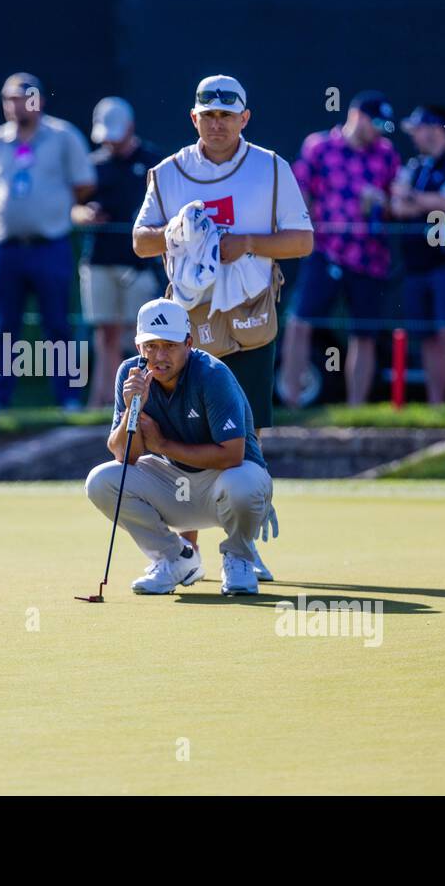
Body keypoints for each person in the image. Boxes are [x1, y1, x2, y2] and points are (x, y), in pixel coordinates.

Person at [132, 74, 313, 583]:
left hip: (249, 314)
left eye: (226, 114)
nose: (217, 123)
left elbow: (302, 241)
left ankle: (241, 547)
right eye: (208, 115)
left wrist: (246, 242)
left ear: (244, 118)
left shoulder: (272, 167)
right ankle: (182, 554)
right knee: (174, 432)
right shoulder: (168, 172)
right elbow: (140, 241)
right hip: (184, 320)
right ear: (194, 118)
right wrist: (174, 233)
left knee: (247, 434)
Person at [83, 298, 274, 597]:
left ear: (188, 343)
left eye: (169, 346)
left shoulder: (212, 375)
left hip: (225, 481)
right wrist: (133, 407)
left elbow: (233, 454)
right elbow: (124, 456)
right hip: (174, 486)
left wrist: (162, 445)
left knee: (244, 483)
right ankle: (177, 558)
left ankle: (238, 557)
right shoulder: (130, 374)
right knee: (101, 481)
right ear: (138, 347)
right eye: (151, 346)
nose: (159, 356)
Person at [0, 72, 96, 409]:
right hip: (5, 247)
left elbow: (83, 184)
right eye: (7, 99)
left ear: (38, 100)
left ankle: (68, 397)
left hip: (50, 244)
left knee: (58, 324)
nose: (13, 106)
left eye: (20, 98)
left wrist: (51, 208)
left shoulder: (63, 137)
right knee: (4, 326)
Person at [282, 90, 402, 407]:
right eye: (375, 123)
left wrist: (383, 202)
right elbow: (299, 194)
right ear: (357, 116)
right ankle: (291, 402)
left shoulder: (386, 153)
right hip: (325, 251)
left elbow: (399, 204)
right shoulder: (319, 147)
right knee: (299, 324)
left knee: (364, 334)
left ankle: (356, 410)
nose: (378, 131)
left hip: (369, 257)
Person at [74, 96, 165, 408]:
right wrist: (85, 214)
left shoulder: (153, 161)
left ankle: (142, 401)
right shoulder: (93, 164)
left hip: (138, 264)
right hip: (99, 259)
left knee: (140, 336)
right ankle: (103, 402)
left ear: (130, 128)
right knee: (105, 334)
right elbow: (75, 206)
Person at [390, 105, 445, 404]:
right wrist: (423, 201)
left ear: (435, 128)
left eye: (419, 127)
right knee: (427, 338)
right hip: (416, 264)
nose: (414, 135)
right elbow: (398, 208)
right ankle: (437, 405)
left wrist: (414, 198)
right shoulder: (414, 166)